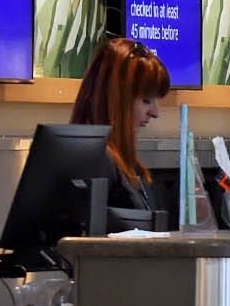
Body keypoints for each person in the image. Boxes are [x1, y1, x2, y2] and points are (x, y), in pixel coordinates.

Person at [68, 36, 171, 217]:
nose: (155, 112)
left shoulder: (126, 164)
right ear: (116, 99)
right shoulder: (99, 161)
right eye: (146, 100)